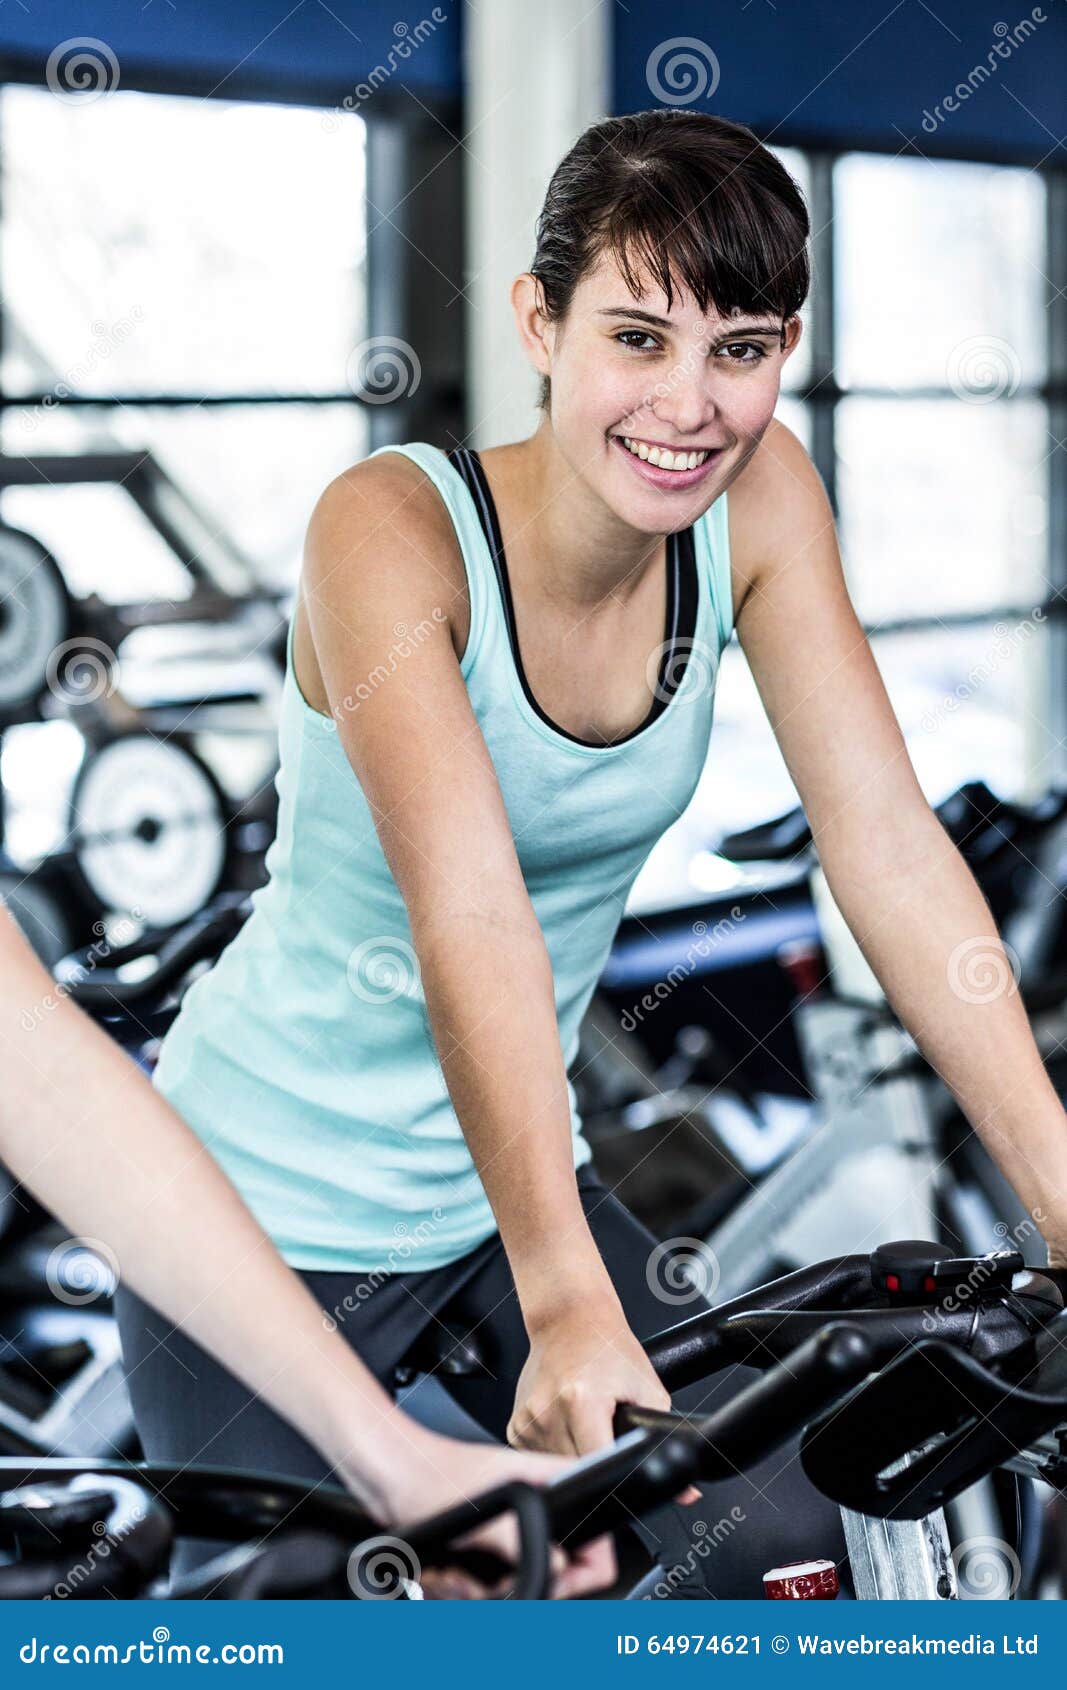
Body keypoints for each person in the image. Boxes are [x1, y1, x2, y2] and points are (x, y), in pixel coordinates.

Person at [113, 106, 1067, 1596]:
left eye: (737, 349)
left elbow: (881, 843)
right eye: (636, 337)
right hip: (258, 1209)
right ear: (538, 323)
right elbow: (469, 909)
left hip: (506, 1189)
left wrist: (1058, 1190)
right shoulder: (389, 529)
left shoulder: (759, 500)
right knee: (359, 1617)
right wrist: (566, 1301)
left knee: (782, 1550)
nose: (687, 406)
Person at [0, 905, 614, 1598]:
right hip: (272, 1186)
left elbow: (34, 1067)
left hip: (480, 1191)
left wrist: (394, 1463)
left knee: (706, 1516)